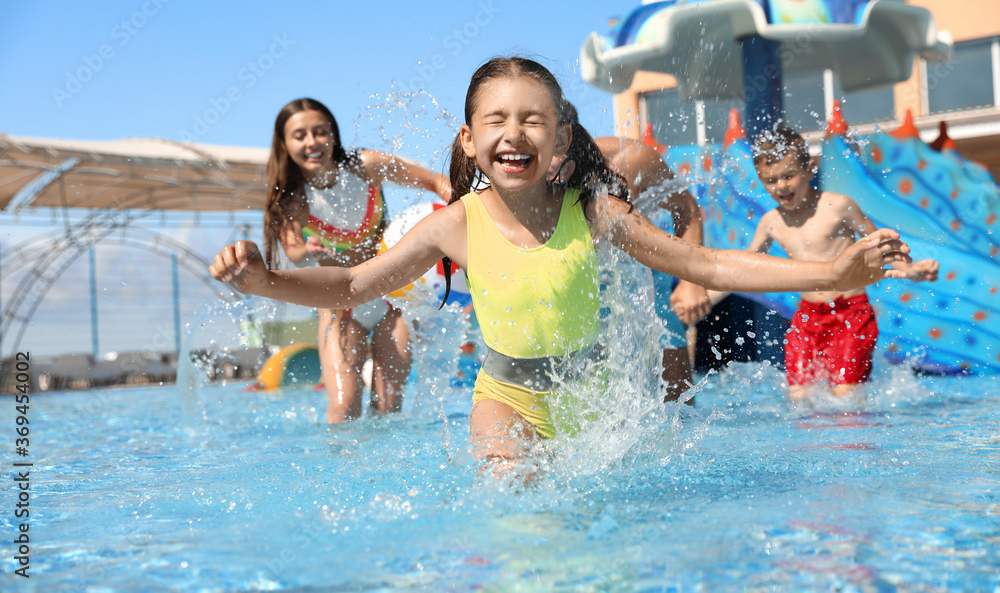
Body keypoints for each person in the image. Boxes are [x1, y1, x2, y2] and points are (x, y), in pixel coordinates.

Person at [215, 57, 912, 472]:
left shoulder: (597, 213)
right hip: (505, 398)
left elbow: (710, 264)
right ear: (469, 137)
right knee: (515, 494)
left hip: (593, 399)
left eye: (533, 120)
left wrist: (834, 275)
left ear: (560, 140)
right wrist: (261, 280)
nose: (513, 133)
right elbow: (352, 282)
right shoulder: (458, 222)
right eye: (496, 120)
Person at [704, 124, 938, 406]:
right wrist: (704, 299)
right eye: (772, 180)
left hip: (851, 314)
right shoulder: (771, 223)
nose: (782, 186)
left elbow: (879, 243)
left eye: (789, 175)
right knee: (798, 397)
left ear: (809, 169)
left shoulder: (838, 206)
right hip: (807, 319)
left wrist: (911, 271)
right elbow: (743, 271)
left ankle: (856, 442)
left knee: (844, 396)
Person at [262, 98, 450, 423]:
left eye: (320, 132)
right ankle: (336, 473)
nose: (312, 142)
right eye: (300, 135)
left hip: (393, 298)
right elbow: (293, 251)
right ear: (285, 144)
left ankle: (384, 472)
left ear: (333, 134)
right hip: (339, 307)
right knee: (343, 406)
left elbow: (433, 181)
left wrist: (463, 205)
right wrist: (309, 252)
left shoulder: (367, 166)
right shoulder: (293, 200)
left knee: (388, 405)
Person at [548, 117, 710, 403]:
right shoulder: (527, 173)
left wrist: (691, 281)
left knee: (681, 407)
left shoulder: (632, 160)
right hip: (577, 288)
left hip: (642, 284)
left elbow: (686, 208)